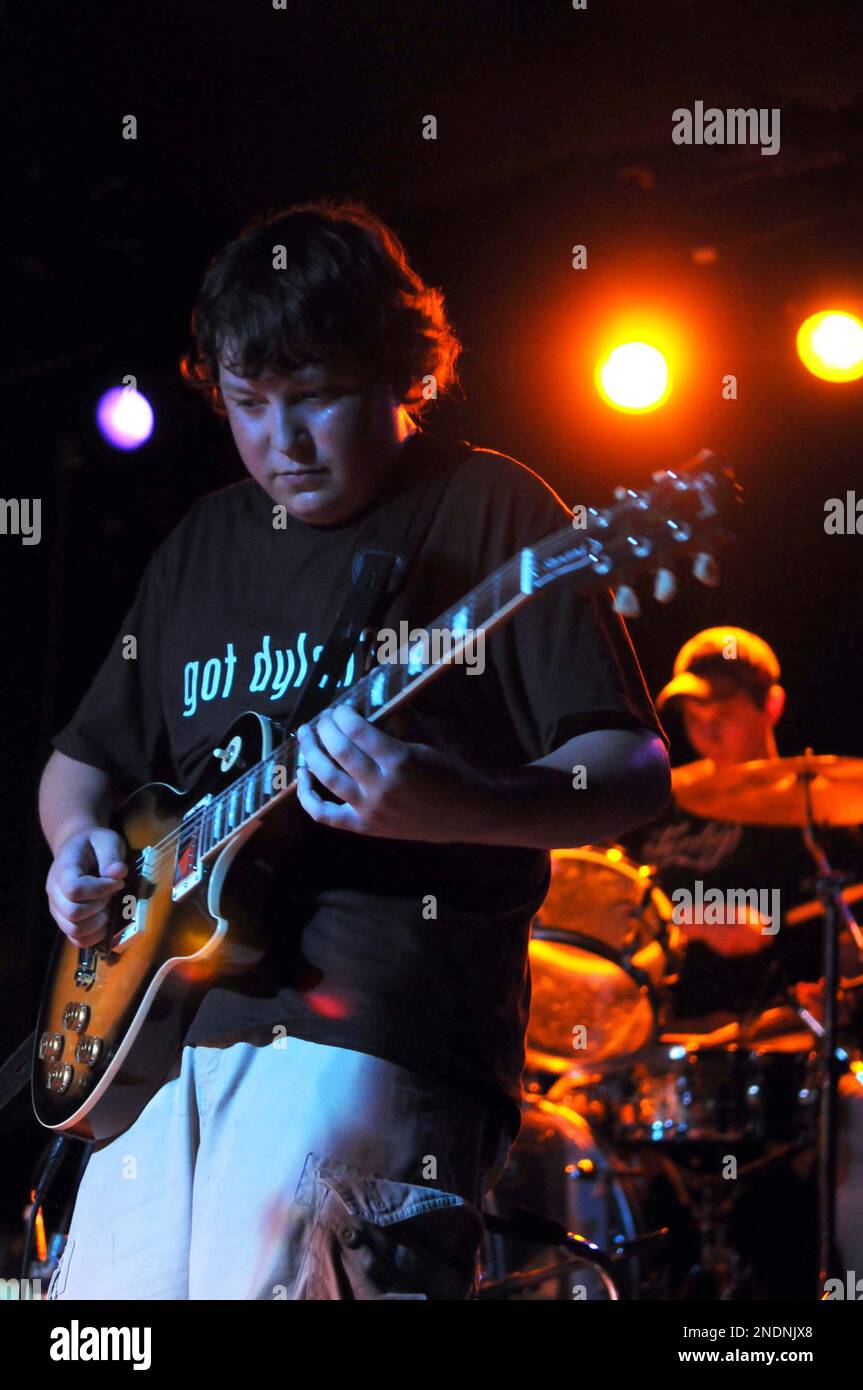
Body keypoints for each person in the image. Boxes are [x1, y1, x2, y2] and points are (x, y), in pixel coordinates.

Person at [39, 200, 670, 1300]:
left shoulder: (491, 509)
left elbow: (628, 771)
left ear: (402, 375)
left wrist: (455, 801)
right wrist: (77, 844)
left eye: (318, 398)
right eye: (247, 405)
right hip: (159, 1052)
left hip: (374, 1031)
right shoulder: (203, 542)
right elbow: (79, 762)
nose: (281, 442)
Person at [622, 626, 863, 1294]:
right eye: (693, 717)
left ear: (771, 706)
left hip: (767, 1056)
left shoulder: (822, 817)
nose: (705, 731)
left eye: (722, 715)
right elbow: (609, 913)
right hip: (644, 1051)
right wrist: (690, 921)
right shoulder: (654, 805)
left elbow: (843, 948)